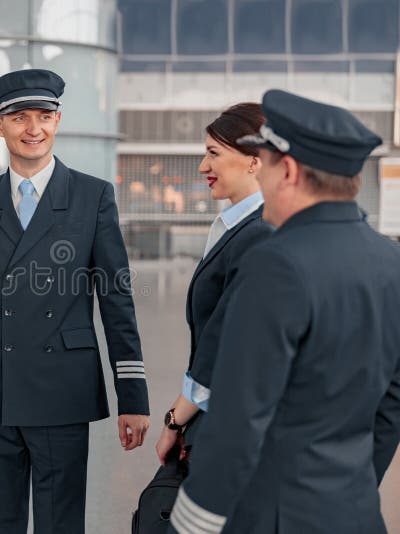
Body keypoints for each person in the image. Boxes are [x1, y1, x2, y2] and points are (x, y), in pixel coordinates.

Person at [169, 90, 400, 533]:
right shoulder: (390, 260)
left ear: (288, 170)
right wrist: (347, 486)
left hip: (269, 515)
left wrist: (191, 523)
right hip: (353, 512)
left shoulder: (276, 263)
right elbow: (391, 404)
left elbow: (239, 415)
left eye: (267, 164)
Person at [0, 69, 150, 534]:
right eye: (20, 117)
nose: (34, 128)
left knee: (60, 524)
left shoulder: (93, 196)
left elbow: (116, 300)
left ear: (58, 120)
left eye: (45, 115)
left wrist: (132, 395)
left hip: (62, 389)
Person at [155, 103, 273, 464]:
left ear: (254, 161)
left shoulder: (259, 233)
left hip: (231, 422)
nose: (203, 166)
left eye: (213, 154)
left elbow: (225, 340)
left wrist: (175, 420)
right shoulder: (235, 225)